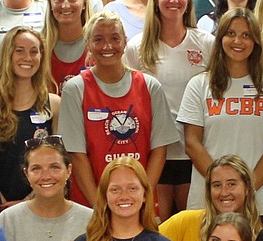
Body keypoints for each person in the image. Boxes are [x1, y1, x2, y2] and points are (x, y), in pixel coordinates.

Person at [60, 11, 177, 205]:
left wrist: (142, 199)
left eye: (114, 38)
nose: (107, 46)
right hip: (91, 204)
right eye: (98, 39)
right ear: (88, 44)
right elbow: (76, 156)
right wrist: (100, 206)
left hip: (141, 204)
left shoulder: (149, 86)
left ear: (124, 41)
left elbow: (159, 150)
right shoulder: (75, 89)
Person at [125, 0, 214, 220]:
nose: (173, 0)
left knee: (192, 225)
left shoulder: (206, 43)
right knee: (158, 225)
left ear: (189, 0)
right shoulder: (137, 46)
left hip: (194, 151)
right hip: (156, 152)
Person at [181, 8, 263, 217]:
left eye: (246, 35)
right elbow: (192, 143)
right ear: (220, 39)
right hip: (207, 200)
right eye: (230, 33)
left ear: (255, 41)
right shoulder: (198, 84)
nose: (238, 41)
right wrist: (222, 188)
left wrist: (244, 191)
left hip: (256, 200)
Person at [0, 26, 59, 207]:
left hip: (42, 203)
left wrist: (30, 201)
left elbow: (59, 163)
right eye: (20, 51)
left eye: (34, 52)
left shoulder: (54, 105)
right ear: (7, 55)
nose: (28, 58)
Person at [0, 135, 91, 241]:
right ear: (26, 173)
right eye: (36, 169)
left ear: (68, 170)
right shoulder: (9, 219)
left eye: (54, 167)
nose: (46, 176)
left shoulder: (90, 219)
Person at [160, 154, 262, 241]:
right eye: (217, 185)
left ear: (247, 188)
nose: (224, 192)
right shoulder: (184, 222)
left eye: (231, 184)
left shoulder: (260, 236)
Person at [43, 0, 92, 94]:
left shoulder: (98, 45)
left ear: (84, 3)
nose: (65, 5)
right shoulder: (40, 47)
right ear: (50, 4)